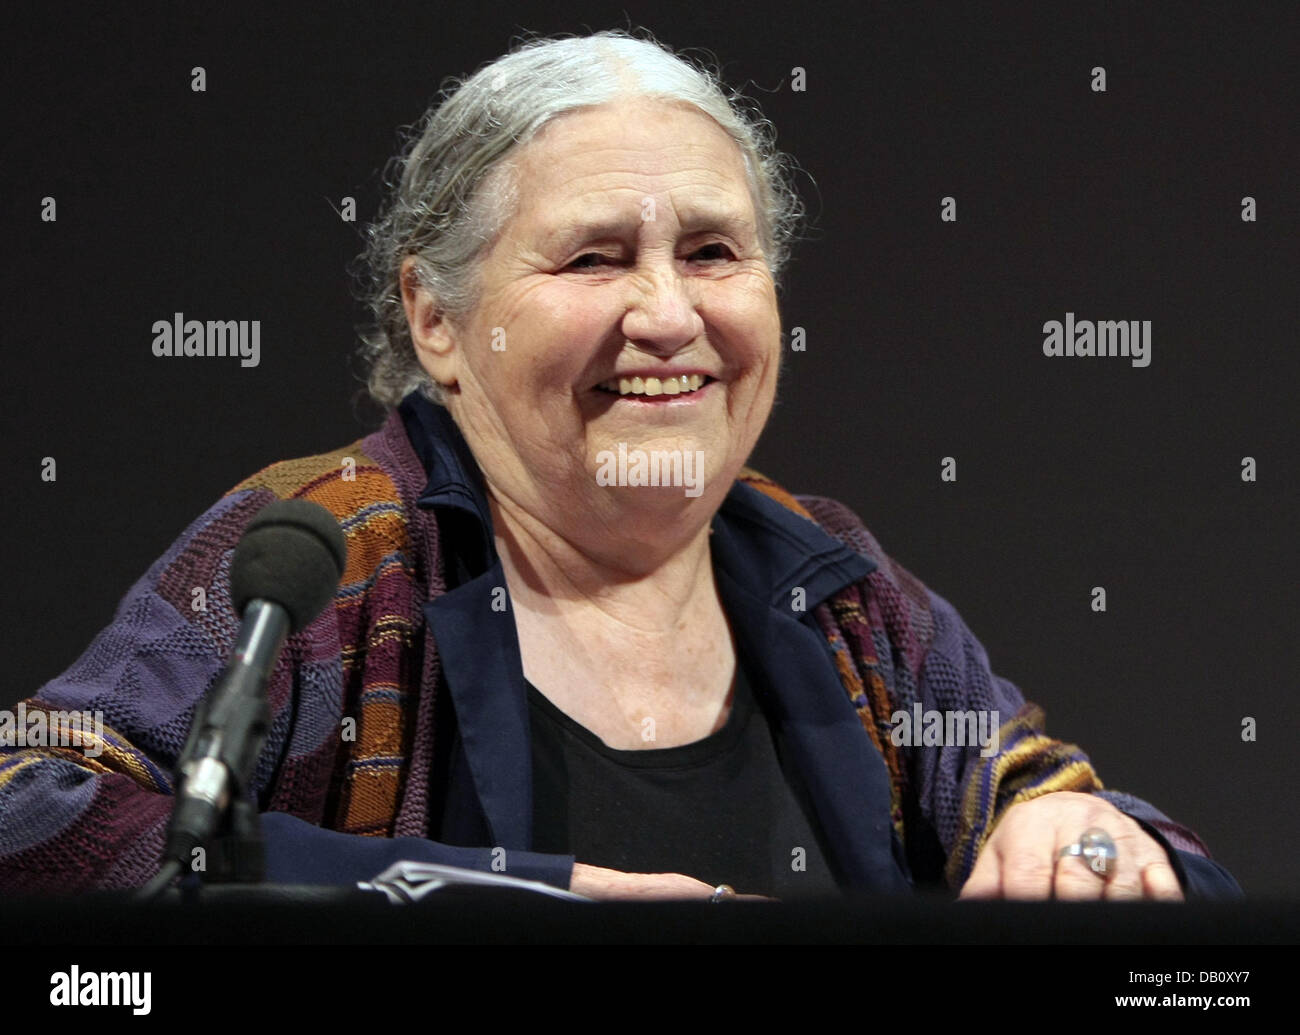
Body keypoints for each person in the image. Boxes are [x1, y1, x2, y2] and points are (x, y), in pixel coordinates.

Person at [0, 30, 1239, 902]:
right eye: (594, 259)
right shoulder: (327, 548)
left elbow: (1104, 837)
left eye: (712, 252)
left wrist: (1082, 838)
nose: (666, 315)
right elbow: (31, 806)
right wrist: (499, 901)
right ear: (436, 318)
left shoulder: (831, 580)